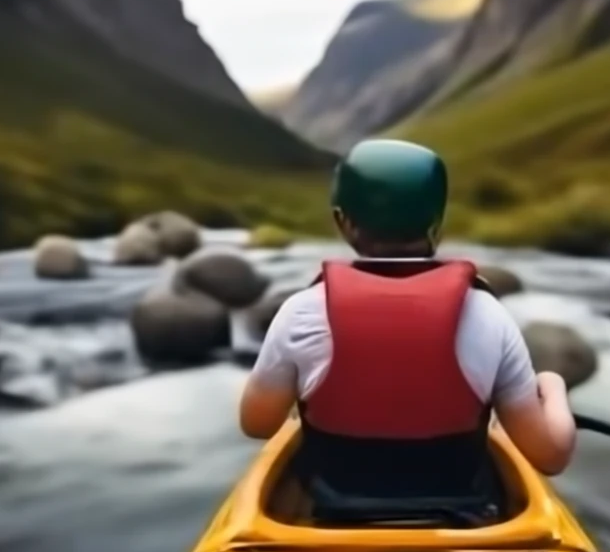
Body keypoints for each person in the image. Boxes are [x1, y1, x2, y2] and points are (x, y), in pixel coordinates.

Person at [238, 138, 576, 507]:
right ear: (437, 225)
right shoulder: (487, 313)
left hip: (332, 515)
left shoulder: (301, 312)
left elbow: (257, 424)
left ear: (343, 223)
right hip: (461, 519)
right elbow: (550, 455)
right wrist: (552, 385)